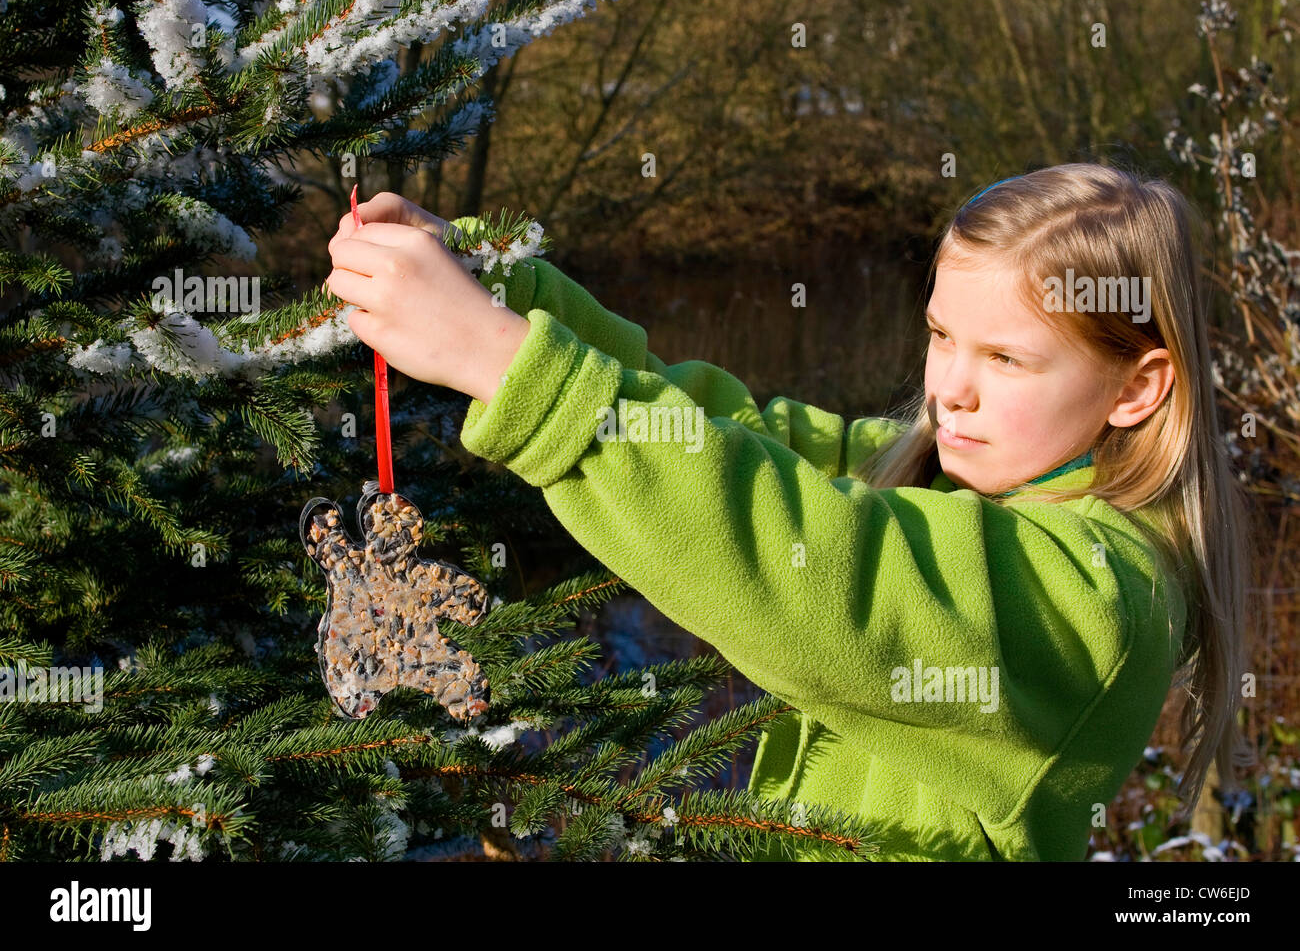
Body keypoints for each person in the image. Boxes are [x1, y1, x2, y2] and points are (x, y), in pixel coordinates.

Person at [324, 162, 1254, 861]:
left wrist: (507, 368)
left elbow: (820, 570)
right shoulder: (945, 475)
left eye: (1006, 359)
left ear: (1136, 388)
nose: (950, 391)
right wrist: (504, 292)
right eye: (940, 336)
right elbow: (730, 436)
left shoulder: (1097, 595)